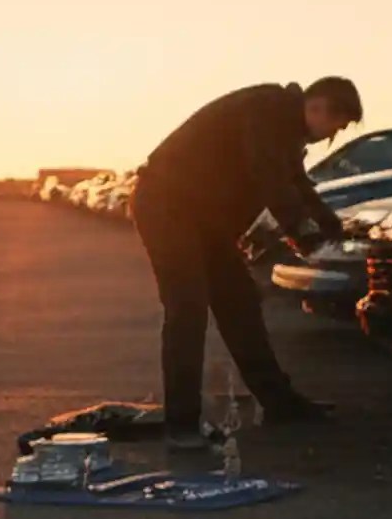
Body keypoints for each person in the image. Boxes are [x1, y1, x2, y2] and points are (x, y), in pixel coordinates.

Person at [132, 77, 363, 450]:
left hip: (204, 219)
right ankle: (181, 425)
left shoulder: (284, 128)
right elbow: (268, 175)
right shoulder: (269, 109)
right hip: (167, 204)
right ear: (318, 106)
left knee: (240, 304)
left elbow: (296, 183)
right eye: (335, 126)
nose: (331, 135)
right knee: (187, 309)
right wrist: (304, 237)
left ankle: (280, 404)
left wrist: (331, 226)